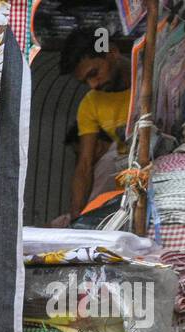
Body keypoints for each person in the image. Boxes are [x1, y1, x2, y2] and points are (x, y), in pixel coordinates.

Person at [61, 27, 133, 220]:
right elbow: (84, 166)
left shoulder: (146, 81)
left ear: (112, 53)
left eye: (94, 73)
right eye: (86, 81)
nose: (93, 84)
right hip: (126, 190)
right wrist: (76, 217)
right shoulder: (90, 104)